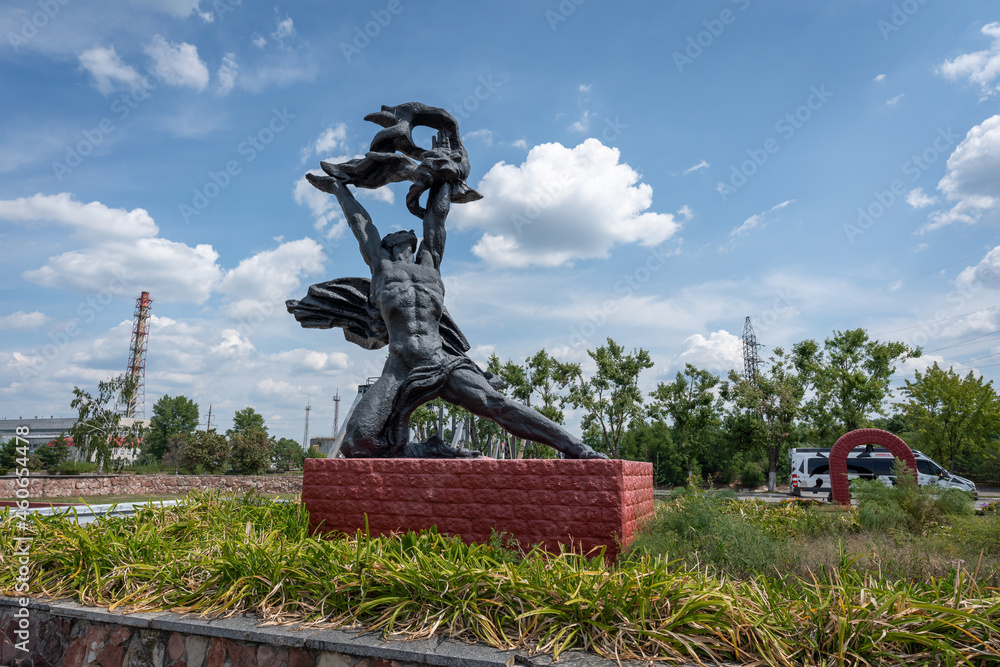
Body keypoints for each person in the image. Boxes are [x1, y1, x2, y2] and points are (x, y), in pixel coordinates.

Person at [301, 157, 606, 459]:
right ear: (389, 246)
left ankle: (578, 449)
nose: (408, 240)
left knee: (495, 403)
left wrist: (445, 180)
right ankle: (426, 449)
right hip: (401, 366)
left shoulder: (431, 266)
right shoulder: (383, 270)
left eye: (411, 238)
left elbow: (436, 219)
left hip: (440, 360)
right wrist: (340, 190)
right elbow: (362, 225)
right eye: (399, 239)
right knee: (357, 442)